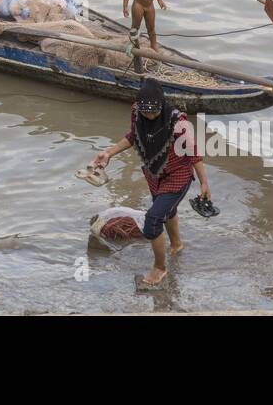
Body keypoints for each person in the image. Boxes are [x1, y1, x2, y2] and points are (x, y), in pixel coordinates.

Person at [89, 83, 209, 291]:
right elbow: (133, 136)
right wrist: (109, 152)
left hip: (178, 175)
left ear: (161, 106)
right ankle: (177, 245)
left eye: (154, 111)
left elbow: (194, 153)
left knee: (153, 220)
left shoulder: (177, 122)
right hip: (154, 174)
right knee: (168, 211)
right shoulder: (138, 114)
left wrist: (204, 183)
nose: (150, 116)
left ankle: (159, 268)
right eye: (146, 112)